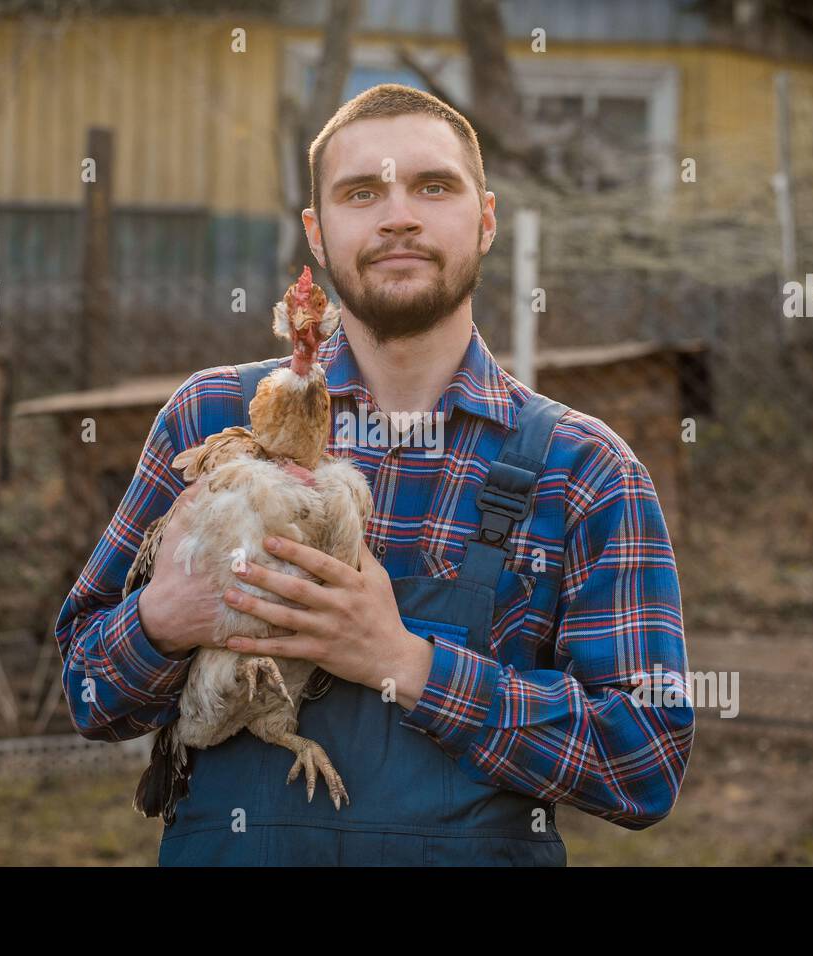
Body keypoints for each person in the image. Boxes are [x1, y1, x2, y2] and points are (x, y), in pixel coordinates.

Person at [55, 83, 693, 866]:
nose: (399, 215)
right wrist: (162, 618)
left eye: (433, 186)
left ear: (485, 219)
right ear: (317, 236)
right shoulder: (210, 420)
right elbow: (87, 691)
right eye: (363, 193)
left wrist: (407, 664)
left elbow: (644, 763)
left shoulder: (585, 470)